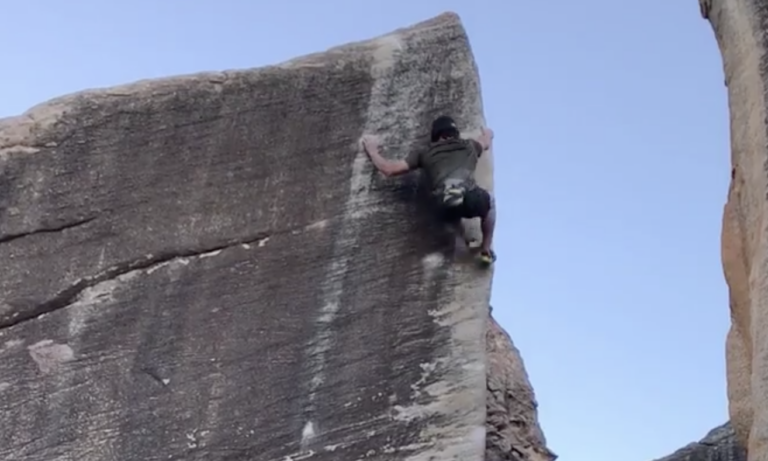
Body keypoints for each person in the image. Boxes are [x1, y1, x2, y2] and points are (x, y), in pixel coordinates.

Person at [360, 115, 496, 265]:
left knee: (445, 206)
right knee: (490, 204)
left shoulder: (425, 152)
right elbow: (486, 142)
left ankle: (451, 202)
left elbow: (389, 170)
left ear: (436, 136)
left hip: (440, 206)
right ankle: (486, 249)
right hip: (469, 198)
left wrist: (372, 151)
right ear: (455, 133)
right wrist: (488, 133)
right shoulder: (469, 146)